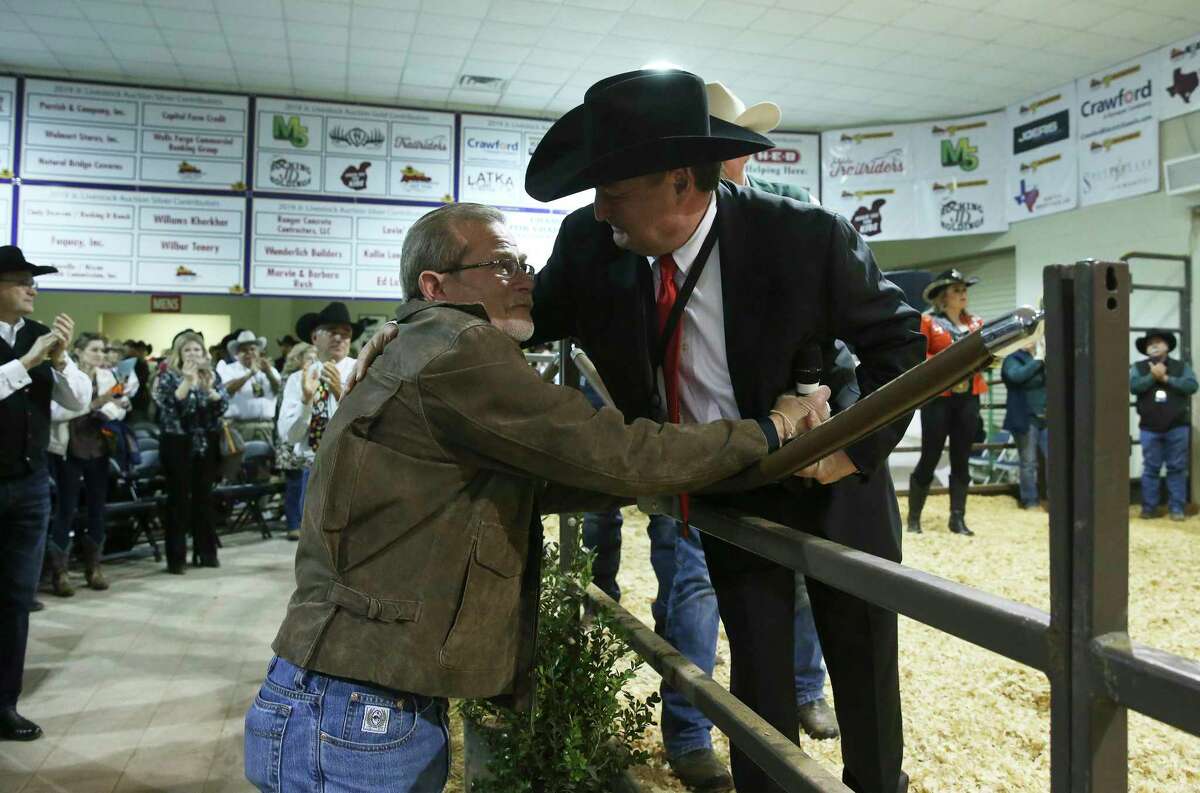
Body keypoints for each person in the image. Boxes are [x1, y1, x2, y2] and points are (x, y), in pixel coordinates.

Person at [353, 70, 922, 793]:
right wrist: (409, 323)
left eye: (614, 190)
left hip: (836, 484)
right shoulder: (592, 247)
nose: (598, 209)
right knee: (758, 675)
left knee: (865, 663)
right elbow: (511, 318)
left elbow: (898, 343)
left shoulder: (805, 238)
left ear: (681, 182)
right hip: (729, 486)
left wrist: (853, 444)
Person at [247, 202, 822, 793]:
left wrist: (696, 468)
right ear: (434, 285)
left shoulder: (417, 345)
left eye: (524, 263)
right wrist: (768, 430)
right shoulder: (460, 347)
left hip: (340, 695)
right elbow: (612, 452)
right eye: (502, 266)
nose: (527, 279)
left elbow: (554, 477)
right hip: (358, 711)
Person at [708, 80, 839, 747]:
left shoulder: (784, 219)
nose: (744, 161)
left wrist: (813, 396)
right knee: (698, 586)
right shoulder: (679, 245)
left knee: (802, 572)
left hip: (786, 431)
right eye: (734, 148)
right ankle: (694, 725)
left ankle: (804, 692)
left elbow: (825, 322)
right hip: (709, 445)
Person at [0, 245, 90, 742]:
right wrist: (25, 364)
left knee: (16, 598)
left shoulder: (40, 338)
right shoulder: (28, 346)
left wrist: (59, 361)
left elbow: (76, 402)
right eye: (20, 280)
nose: (32, 288)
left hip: (31, 483)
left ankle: (4, 703)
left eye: (33, 281)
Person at [46, 332, 128, 596]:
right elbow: (56, 412)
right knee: (66, 508)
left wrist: (112, 408)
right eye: (94, 350)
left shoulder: (108, 377)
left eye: (104, 351)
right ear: (78, 351)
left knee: (97, 508)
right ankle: (60, 572)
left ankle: (94, 567)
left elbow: (121, 405)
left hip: (98, 445)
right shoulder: (64, 374)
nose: (101, 355)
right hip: (69, 446)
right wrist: (94, 404)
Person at [907, 269, 986, 537]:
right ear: (943, 296)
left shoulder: (976, 323)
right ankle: (914, 518)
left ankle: (957, 518)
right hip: (939, 399)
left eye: (965, 289)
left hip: (968, 397)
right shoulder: (928, 321)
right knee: (930, 456)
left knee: (962, 458)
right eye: (957, 290)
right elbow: (919, 355)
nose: (963, 294)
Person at [154, 332, 228, 573]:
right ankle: (176, 559)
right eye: (188, 350)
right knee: (178, 500)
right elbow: (171, 407)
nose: (193, 354)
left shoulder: (212, 376)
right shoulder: (167, 377)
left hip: (205, 442)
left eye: (197, 350)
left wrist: (209, 390)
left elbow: (222, 406)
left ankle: (206, 553)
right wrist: (187, 382)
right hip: (177, 442)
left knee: (204, 498)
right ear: (179, 354)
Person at [276, 302, 361, 501]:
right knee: (311, 528)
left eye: (346, 332)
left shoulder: (362, 372)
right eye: (332, 331)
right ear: (315, 337)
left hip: (351, 465)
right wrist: (306, 401)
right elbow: (290, 436)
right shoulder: (299, 379)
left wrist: (341, 395)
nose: (339, 338)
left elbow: (369, 424)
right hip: (312, 466)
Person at [1130, 329, 1197, 520]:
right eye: (1150, 342)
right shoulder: (1138, 367)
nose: (1153, 345)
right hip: (1149, 428)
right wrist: (1152, 376)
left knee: (1177, 468)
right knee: (1151, 468)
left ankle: (1177, 509)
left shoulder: (1181, 366)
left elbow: (1192, 385)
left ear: (1167, 347)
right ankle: (1149, 509)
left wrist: (1166, 378)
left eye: (1158, 341)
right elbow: (1133, 386)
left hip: (1177, 427)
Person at [274, 342, 317, 542]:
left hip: (310, 434)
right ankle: (293, 523)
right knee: (294, 483)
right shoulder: (290, 379)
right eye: (309, 358)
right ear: (298, 359)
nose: (314, 362)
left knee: (303, 482)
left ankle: (301, 523)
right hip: (290, 436)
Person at [1001, 339, 1047, 510]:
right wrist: (1038, 360)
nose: (1033, 342)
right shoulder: (1012, 359)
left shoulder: (1042, 359)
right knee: (1029, 462)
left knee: (1053, 460)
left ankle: (1053, 498)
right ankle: (1030, 500)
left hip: (1046, 416)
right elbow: (1016, 376)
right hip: (1025, 417)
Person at [217, 329, 281, 445]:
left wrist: (268, 373)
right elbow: (226, 391)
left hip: (265, 426)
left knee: (265, 460)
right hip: (238, 426)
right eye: (244, 350)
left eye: (252, 349)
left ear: (259, 351)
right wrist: (249, 374)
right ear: (236, 354)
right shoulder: (228, 369)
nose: (249, 353)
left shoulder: (270, 370)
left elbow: (279, 391)